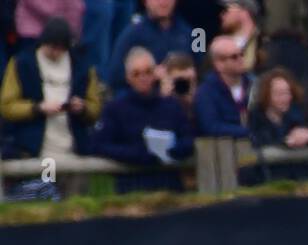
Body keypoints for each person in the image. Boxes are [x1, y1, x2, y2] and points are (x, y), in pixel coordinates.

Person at [1, 17, 101, 164]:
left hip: (75, 152)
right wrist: (37, 108)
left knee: (73, 188)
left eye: (61, 48)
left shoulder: (83, 66)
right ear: (43, 42)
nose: (56, 52)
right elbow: (6, 106)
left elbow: (96, 108)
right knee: (46, 186)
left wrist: (83, 107)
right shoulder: (21, 64)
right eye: (52, 47)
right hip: (35, 152)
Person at [91, 46, 193, 168]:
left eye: (148, 72)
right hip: (131, 179)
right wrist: (136, 154)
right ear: (128, 77)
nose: (143, 78)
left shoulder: (171, 106)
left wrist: (173, 149)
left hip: (169, 177)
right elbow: (98, 145)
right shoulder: (115, 109)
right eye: (136, 74)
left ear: (155, 73)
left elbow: (188, 139)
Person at [106, 0, 192, 91]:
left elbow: (200, 71)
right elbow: (114, 78)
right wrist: (149, 74)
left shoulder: (187, 33)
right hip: (142, 100)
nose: (163, 2)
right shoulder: (131, 35)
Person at [193, 32, 253, 136]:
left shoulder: (254, 84)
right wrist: (249, 132)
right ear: (218, 64)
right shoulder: (206, 92)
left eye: (242, 54)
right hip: (222, 148)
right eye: (234, 57)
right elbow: (212, 127)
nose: (241, 59)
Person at [248, 64, 308, 146]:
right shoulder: (255, 119)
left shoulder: (299, 114)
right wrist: (287, 141)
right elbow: (258, 140)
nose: (285, 98)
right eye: (279, 94)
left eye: (287, 93)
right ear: (266, 95)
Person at [220, 0, 261, 73]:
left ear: (243, 12)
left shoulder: (265, 47)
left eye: (226, 10)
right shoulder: (218, 47)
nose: (222, 15)